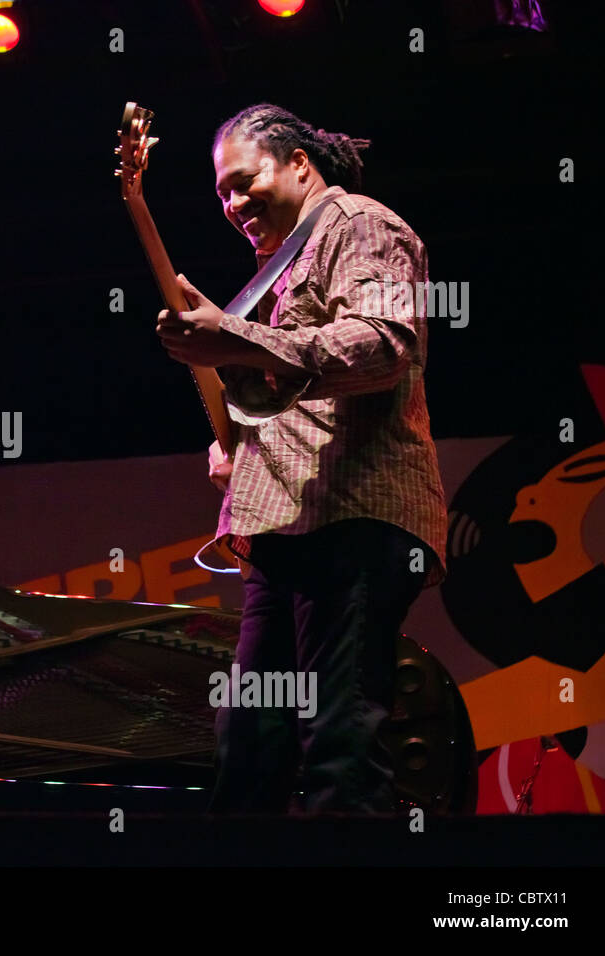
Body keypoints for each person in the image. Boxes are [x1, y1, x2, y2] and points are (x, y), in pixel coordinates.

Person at [155, 104, 447, 813]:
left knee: (339, 742)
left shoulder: (359, 224)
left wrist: (234, 338)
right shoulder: (285, 266)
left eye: (242, 180)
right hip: (290, 529)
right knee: (248, 744)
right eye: (220, 192)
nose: (231, 203)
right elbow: (303, 398)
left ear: (298, 164)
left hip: (354, 517)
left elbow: (381, 344)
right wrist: (247, 450)